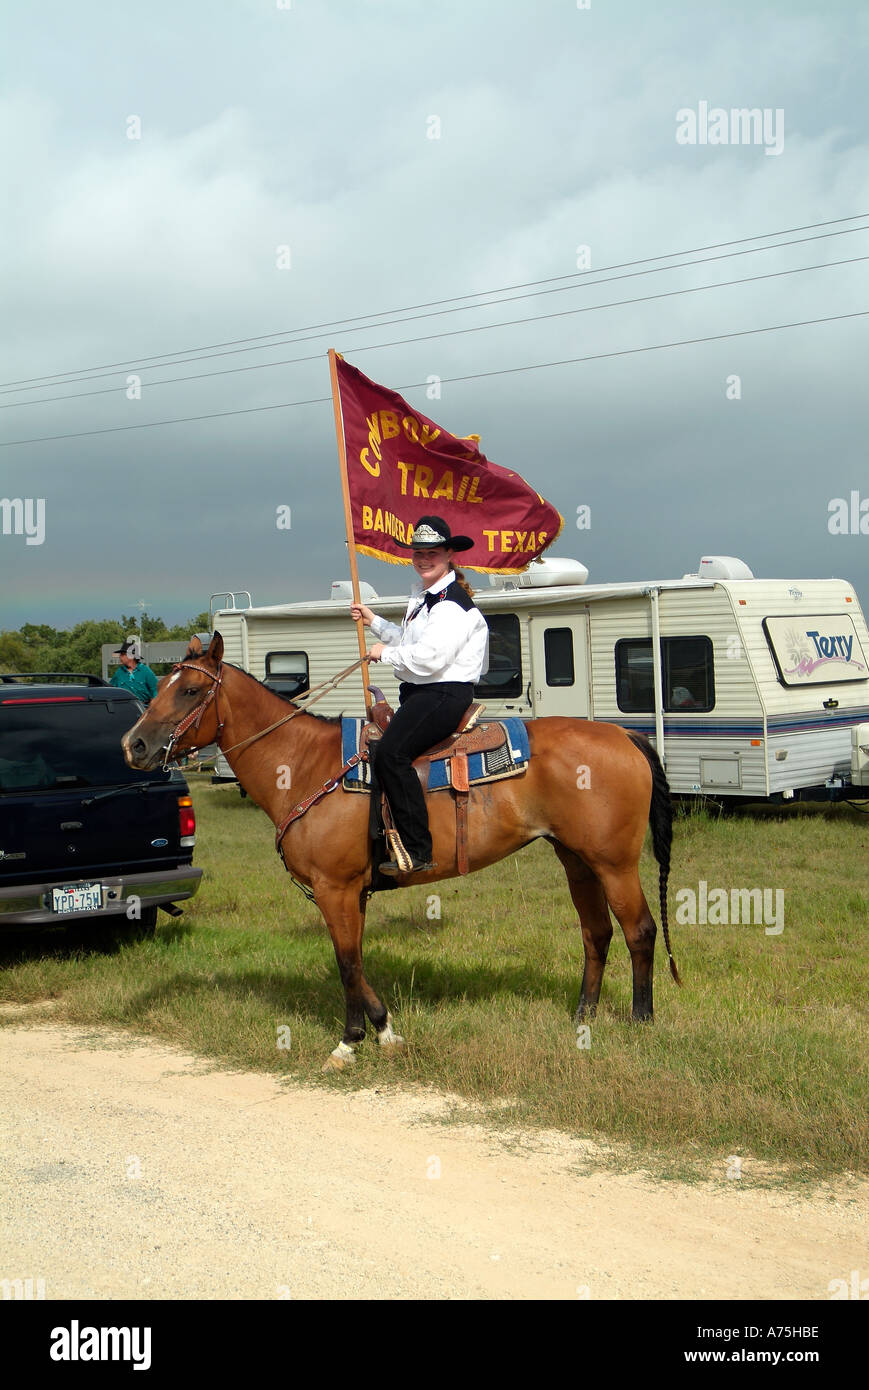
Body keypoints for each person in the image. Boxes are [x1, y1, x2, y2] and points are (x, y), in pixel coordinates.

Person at [350, 515, 489, 875]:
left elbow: (429, 658)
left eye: (433, 552)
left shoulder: (451, 604)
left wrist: (384, 653)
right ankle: (383, 836)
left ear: (449, 555)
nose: (424, 558)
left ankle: (418, 849)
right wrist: (374, 622)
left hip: (443, 693)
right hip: (423, 692)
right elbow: (412, 640)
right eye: (419, 552)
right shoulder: (425, 598)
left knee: (393, 754)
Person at [110, 638, 158, 706]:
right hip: (124, 708)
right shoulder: (119, 672)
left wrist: (154, 703)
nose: (120, 657)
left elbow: (155, 689)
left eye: (123, 654)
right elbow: (111, 689)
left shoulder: (145, 671)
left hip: (143, 709)